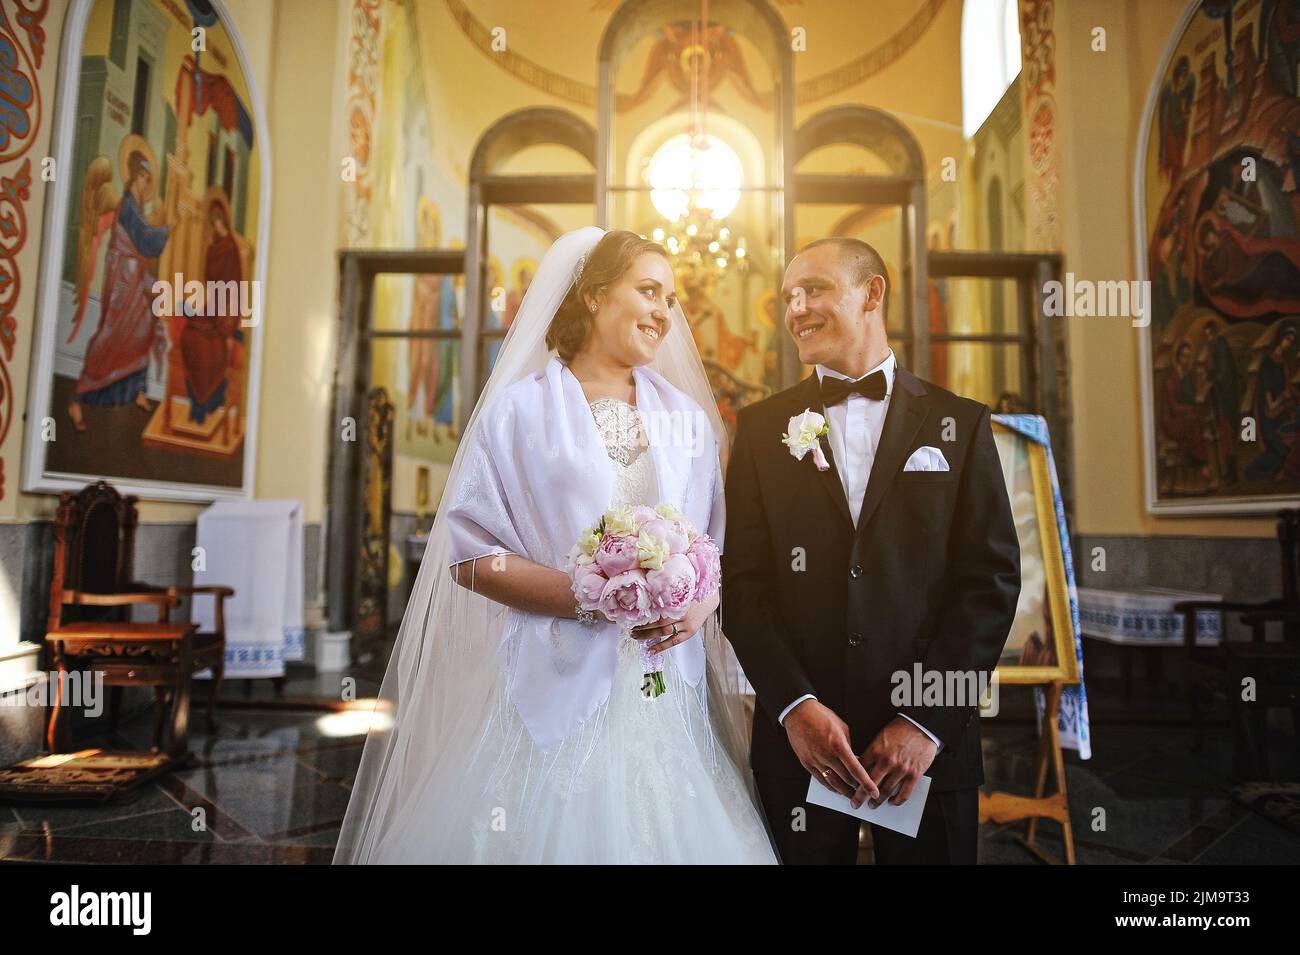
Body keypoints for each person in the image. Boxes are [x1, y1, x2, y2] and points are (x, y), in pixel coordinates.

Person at [334, 228, 776, 864]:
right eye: (648, 290)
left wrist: (697, 604)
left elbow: (716, 548)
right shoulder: (518, 413)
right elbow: (469, 554)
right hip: (553, 675)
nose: (663, 312)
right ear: (594, 297)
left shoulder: (690, 424)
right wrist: (594, 596)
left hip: (663, 686)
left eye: (670, 300)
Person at [722, 237, 1021, 864]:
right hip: (800, 748)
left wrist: (925, 722)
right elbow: (743, 585)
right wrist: (795, 708)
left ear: (872, 293)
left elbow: (989, 585)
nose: (796, 307)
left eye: (816, 289)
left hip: (927, 750)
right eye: (789, 296)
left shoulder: (957, 424)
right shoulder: (759, 430)